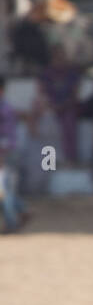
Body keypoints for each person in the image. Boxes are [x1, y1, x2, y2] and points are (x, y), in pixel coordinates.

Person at [33, 43, 83, 163]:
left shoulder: (72, 74)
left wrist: (63, 106)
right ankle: (47, 162)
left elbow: (75, 95)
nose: (59, 60)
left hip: (67, 108)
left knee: (69, 124)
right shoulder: (46, 73)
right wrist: (50, 106)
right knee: (45, 125)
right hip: (49, 108)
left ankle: (70, 159)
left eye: (62, 57)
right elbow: (41, 92)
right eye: (57, 57)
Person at [0, 77, 30, 232]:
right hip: (11, 150)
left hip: (5, 152)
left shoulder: (3, 109)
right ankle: (22, 210)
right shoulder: (8, 108)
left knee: (4, 189)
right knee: (6, 188)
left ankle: (11, 223)